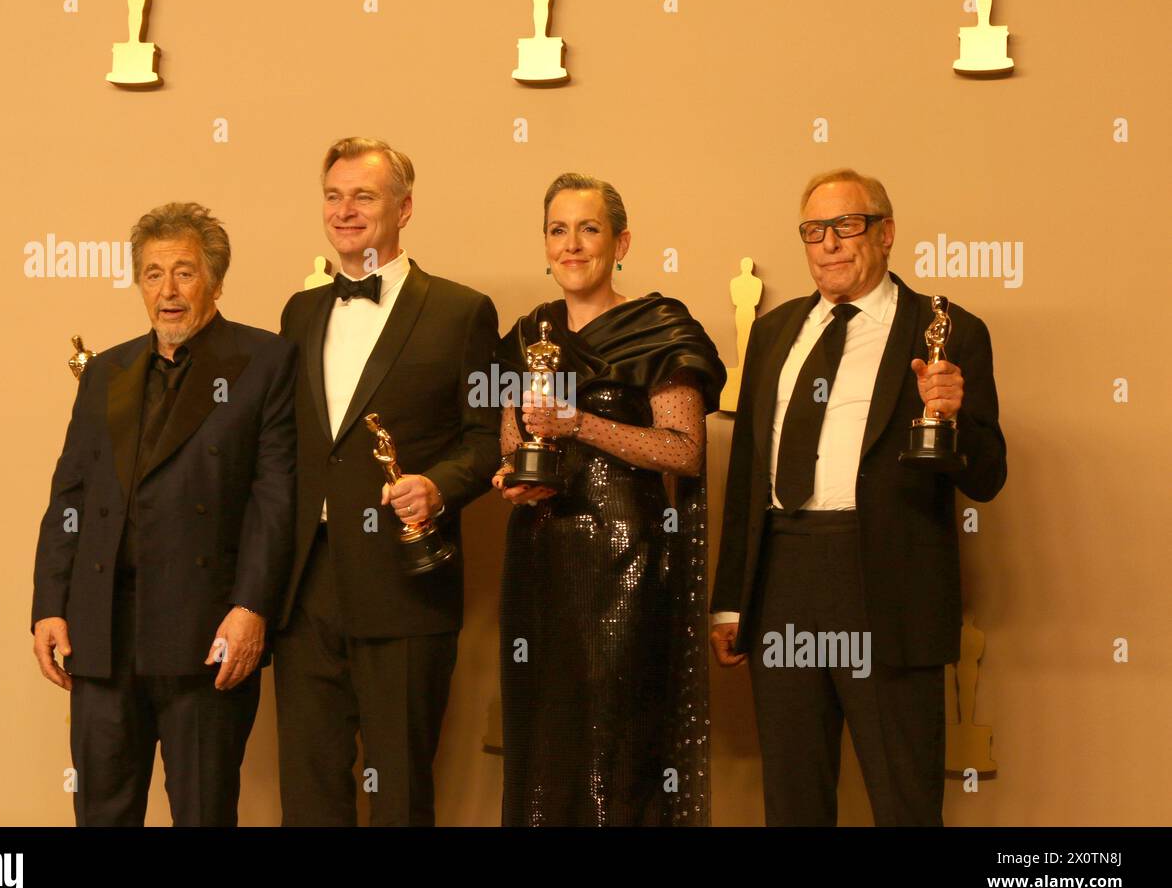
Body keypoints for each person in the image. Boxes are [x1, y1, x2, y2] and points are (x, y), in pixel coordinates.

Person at [710, 169, 1007, 826]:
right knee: (793, 799)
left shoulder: (949, 330)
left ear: (886, 233)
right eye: (815, 230)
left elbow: (988, 476)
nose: (830, 244)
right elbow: (747, 473)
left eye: (847, 225)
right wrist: (731, 598)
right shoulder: (774, 331)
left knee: (903, 800)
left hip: (888, 588)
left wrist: (951, 416)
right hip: (783, 577)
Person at [31, 202, 297, 826]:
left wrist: (252, 607)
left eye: (183, 272)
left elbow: (275, 496)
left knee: (203, 816)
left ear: (216, 281)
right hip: (102, 637)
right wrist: (50, 602)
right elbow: (69, 496)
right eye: (152, 274)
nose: (167, 291)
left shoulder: (264, 362)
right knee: (101, 816)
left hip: (205, 638)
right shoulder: (106, 371)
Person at [276, 137, 499, 826]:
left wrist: (438, 486)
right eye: (334, 195)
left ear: (404, 208)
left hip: (406, 588)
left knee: (400, 792)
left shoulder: (463, 311)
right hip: (305, 586)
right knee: (309, 791)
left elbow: (488, 438)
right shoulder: (300, 311)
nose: (345, 211)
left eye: (363, 196)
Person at [492, 172, 726, 826]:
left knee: (618, 751)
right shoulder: (527, 334)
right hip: (540, 564)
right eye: (558, 230)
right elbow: (513, 442)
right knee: (545, 745)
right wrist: (513, 479)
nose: (572, 245)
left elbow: (684, 449)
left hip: (628, 565)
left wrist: (581, 425)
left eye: (589, 229)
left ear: (620, 241)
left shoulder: (660, 327)